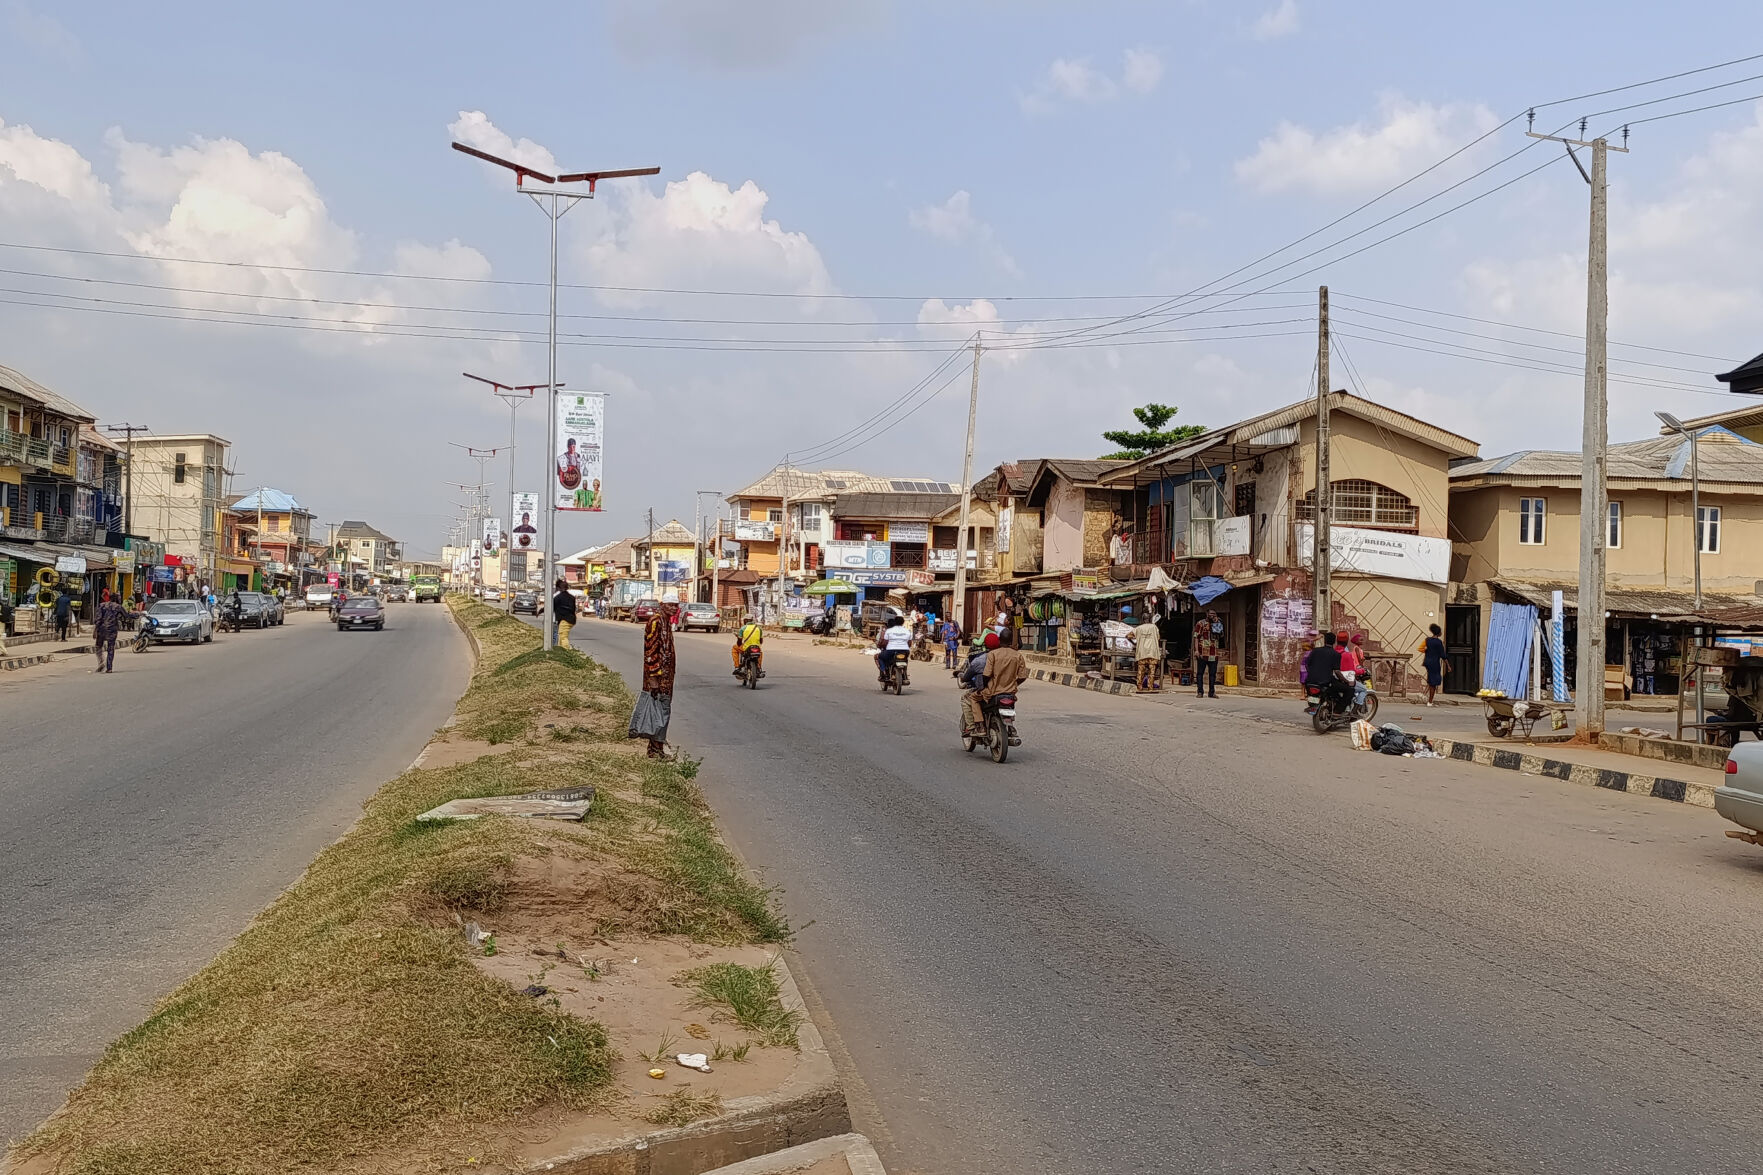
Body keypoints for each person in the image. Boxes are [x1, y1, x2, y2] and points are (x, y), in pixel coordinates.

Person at [628, 591, 679, 758]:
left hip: (665, 677)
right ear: (662, 605)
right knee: (659, 712)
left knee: (662, 712)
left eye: (675, 605)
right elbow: (651, 650)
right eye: (670, 605)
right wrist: (653, 678)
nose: (673, 608)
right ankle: (655, 749)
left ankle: (656, 747)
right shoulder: (656, 621)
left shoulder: (665, 621)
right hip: (657, 678)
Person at [965, 630, 1030, 735]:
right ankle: (1010, 726)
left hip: (993, 691)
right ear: (1010, 641)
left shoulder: (993, 654)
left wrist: (983, 687)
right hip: (1010, 692)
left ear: (1000, 640)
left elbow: (986, 674)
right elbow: (1022, 676)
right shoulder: (1018, 656)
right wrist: (1014, 684)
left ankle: (980, 726)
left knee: (973, 698)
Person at [1303, 635, 1343, 712]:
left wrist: (1311, 673)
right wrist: (1345, 680)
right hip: (1325, 682)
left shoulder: (1315, 651)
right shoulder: (1335, 654)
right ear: (1334, 642)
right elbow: (1337, 671)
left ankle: (1314, 705)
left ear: (1324, 641)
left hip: (1310, 681)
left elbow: (1307, 664)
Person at [92, 588, 128, 673]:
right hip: (112, 630)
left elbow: (98, 619)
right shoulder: (118, 607)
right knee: (110, 648)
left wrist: (95, 630)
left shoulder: (102, 605)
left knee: (98, 646)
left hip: (101, 629)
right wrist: (137, 614)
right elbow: (127, 616)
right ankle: (109, 668)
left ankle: (101, 662)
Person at [1192, 609, 1222, 698]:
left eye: (1214, 614)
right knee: (1200, 673)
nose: (1212, 615)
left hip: (1214, 653)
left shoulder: (1218, 623)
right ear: (1207, 614)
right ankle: (1200, 691)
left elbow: (1220, 634)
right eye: (1210, 614)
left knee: (1212, 674)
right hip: (1202, 653)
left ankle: (1212, 692)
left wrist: (1217, 623)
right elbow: (1196, 637)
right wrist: (1196, 650)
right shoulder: (1200, 623)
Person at [876, 610, 913, 683]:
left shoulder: (889, 630)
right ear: (903, 623)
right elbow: (909, 642)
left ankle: (884, 673)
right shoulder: (907, 631)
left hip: (891, 651)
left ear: (895, 622)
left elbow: (885, 640)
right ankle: (904, 674)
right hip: (904, 651)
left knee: (879, 657)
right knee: (905, 660)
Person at [1132, 611, 1164, 692]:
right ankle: (1150, 687)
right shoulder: (1154, 627)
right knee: (1152, 671)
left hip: (1142, 652)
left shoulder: (1138, 628)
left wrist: (1134, 643)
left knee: (1140, 671)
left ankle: (1139, 687)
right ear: (1149, 619)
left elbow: (1128, 636)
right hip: (1152, 652)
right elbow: (1158, 637)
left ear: (1143, 619)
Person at [1421, 623, 1449, 706]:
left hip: (1427, 662)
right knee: (1434, 682)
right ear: (1439, 633)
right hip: (1434, 663)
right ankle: (1430, 701)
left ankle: (1426, 696)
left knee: (1431, 679)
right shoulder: (1438, 642)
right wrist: (1448, 665)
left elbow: (1423, 649)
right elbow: (1443, 655)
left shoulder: (1428, 640)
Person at [553, 577, 578, 649]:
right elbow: (573, 609)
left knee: (563, 636)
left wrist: (540, 611)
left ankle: (567, 651)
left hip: (565, 619)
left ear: (558, 588)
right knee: (561, 636)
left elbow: (550, 607)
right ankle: (561, 650)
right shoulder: (572, 597)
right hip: (571, 619)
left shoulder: (558, 597)